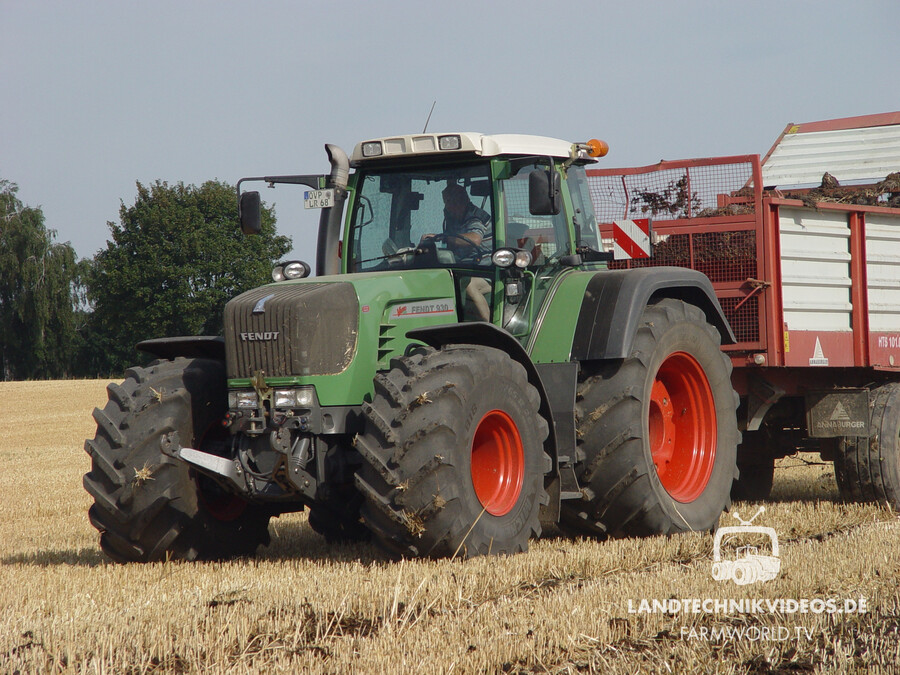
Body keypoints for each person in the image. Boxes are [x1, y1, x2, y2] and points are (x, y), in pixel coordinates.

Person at [422, 183, 492, 320]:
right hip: (464, 268)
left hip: (486, 271)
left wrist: (445, 237)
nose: (446, 206)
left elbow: (475, 239)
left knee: (467, 285)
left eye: (449, 201)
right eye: (446, 202)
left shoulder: (475, 217)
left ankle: (490, 327)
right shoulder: (454, 219)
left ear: (462, 200)